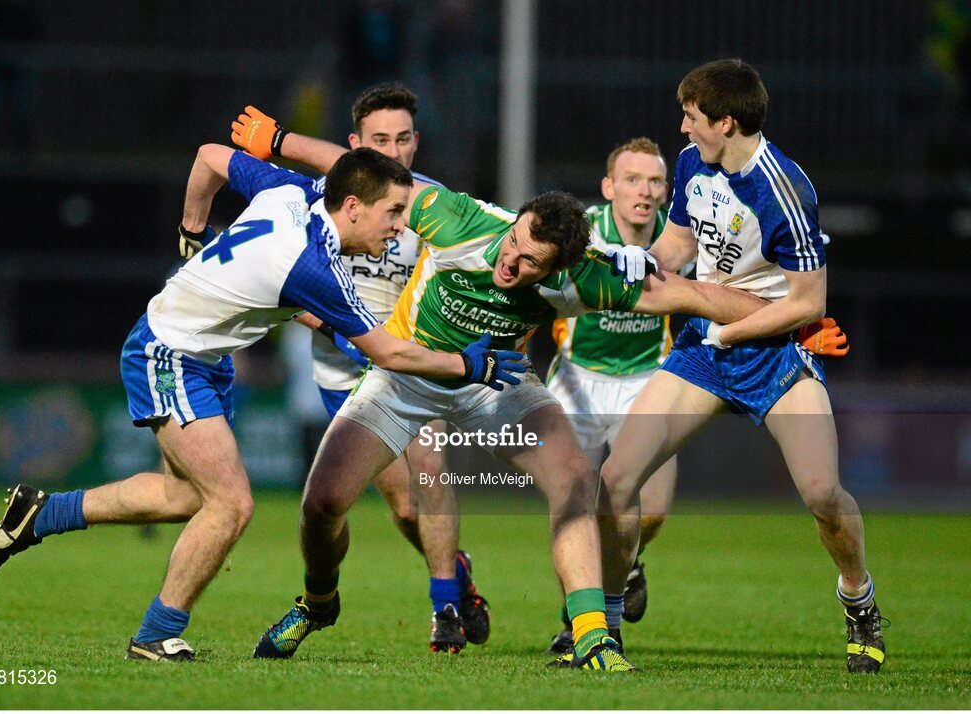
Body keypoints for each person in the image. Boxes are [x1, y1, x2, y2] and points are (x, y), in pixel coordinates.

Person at [230, 111, 779, 672]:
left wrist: (798, 317)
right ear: (515, 221)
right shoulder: (458, 218)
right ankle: (318, 603)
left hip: (497, 382)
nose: (509, 262)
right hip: (406, 378)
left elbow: (697, 297)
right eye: (514, 242)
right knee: (321, 504)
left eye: (529, 263)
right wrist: (278, 142)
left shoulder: (584, 278)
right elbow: (365, 172)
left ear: (557, 269)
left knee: (574, 479)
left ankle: (592, 636)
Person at [0, 145, 526, 661]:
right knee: (232, 504)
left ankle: (43, 513)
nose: (402, 226)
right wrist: (472, 365)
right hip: (168, 353)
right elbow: (387, 352)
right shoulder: (314, 266)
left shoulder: (293, 192)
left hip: (203, 355)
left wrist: (191, 230)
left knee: (181, 497)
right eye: (395, 211)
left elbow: (210, 158)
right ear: (354, 207)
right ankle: (156, 636)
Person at [597, 59, 885, 674]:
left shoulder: (785, 189)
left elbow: (808, 303)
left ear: (726, 122)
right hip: (706, 348)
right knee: (617, 478)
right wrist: (642, 261)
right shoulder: (693, 164)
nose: (682, 128)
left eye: (692, 118)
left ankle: (858, 598)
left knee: (821, 494)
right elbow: (679, 244)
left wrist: (728, 328)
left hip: (775, 354)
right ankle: (604, 630)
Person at [309, 83, 490, 652]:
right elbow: (285, 293)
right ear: (354, 144)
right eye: (379, 139)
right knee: (404, 505)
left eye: (403, 138)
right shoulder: (323, 201)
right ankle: (458, 574)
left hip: (410, 364)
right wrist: (347, 331)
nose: (393, 150)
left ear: (418, 142)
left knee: (431, 466)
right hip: (342, 371)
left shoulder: (437, 208)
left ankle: (445, 612)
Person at [545, 137, 678, 653]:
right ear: (609, 188)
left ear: (666, 191)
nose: (642, 191)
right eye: (631, 179)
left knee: (652, 511)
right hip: (578, 380)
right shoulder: (581, 234)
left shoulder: (681, 239)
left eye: (653, 181)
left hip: (649, 377)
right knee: (572, 504)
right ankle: (579, 619)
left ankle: (628, 560)